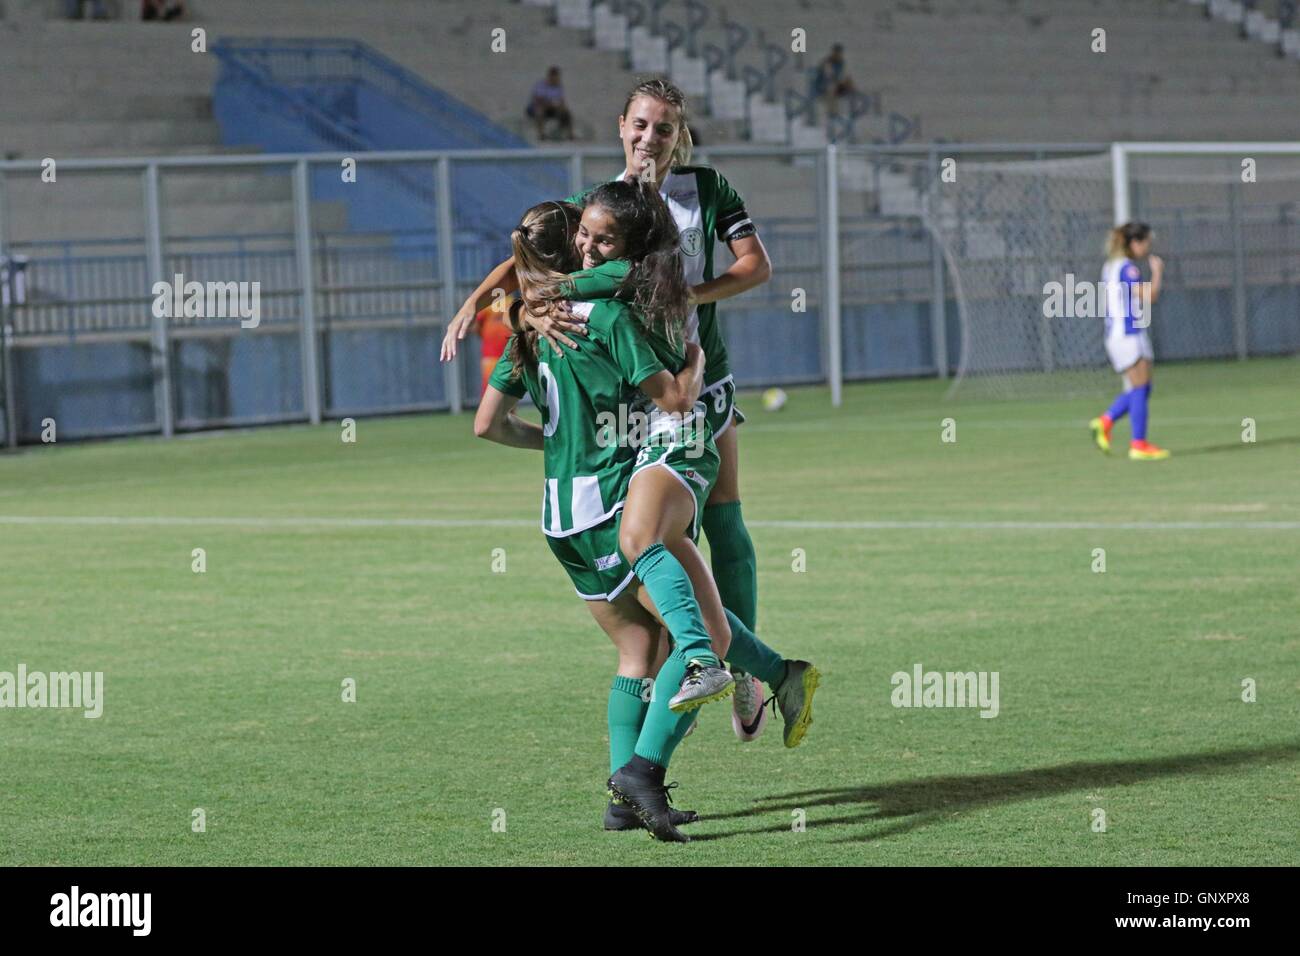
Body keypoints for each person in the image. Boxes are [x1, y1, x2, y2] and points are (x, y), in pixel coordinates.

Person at [475, 190, 818, 841]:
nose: (591, 249)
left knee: (638, 646)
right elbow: (674, 399)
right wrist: (692, 367)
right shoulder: (604, 318)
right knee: (701, 635)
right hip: (610, 499)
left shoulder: (530, 326)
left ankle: (624, 795)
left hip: (556, 517)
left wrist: (552, 443)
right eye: (586, 238)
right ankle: (747, 689)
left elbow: (488, 424)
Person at [445, 77, 775, 744]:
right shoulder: (593, 208)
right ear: (620, 125)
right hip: (628, 405)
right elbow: (528, 263)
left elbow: (756, 267)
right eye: (641, 124)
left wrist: (691, 296)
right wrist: (481, 304)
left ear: (679, 137)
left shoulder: (707, 191)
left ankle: (744, 672)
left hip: (692, 388)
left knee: (724, 524)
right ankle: (676, 706)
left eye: (664, 128)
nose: (650, 137)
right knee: (658, 550)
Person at [1090, 222, 1170, 461]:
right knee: (1139, 389)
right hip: (1128, 333)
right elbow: (1150, 296)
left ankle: (1105, 421)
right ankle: (1138, 444)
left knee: (1142, 389)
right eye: (1146, 243)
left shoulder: (1110, 266)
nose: (1147, 248)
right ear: (1135, 243)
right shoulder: (1128, 268)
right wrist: (1157, 272)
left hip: (1117, 334)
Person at [472, 302, 511, 398]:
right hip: (491, 355)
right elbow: (475, 325)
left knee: (509, 388)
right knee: (491, 387)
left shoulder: (511, 301)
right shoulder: (488, 302)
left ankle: (509, 412)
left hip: (509, 354)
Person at [526, 67, 574, 141]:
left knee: (566, 112)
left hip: (552, 107)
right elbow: (538, 100)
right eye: (554, 78)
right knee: (540, 110)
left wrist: (561, 107)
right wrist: (552, 104)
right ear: (550, 77)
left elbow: (561, 100)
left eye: (557, 78)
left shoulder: (559, 87)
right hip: (536, 107)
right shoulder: (541, 85)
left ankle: (569, 133)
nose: (556, 80)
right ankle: (541, 134)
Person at [811, 44, 857, 119]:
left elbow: (843, 75)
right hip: (823, 87)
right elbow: (828, 76)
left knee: (849, 83)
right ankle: (832, 114)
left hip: (834, 85)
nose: (838, 55)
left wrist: (847, 83)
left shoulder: (841, 63)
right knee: (831, 89)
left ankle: (851, 110)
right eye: (837, 53)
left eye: (840, 53)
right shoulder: (827, 63)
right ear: (833, 53)